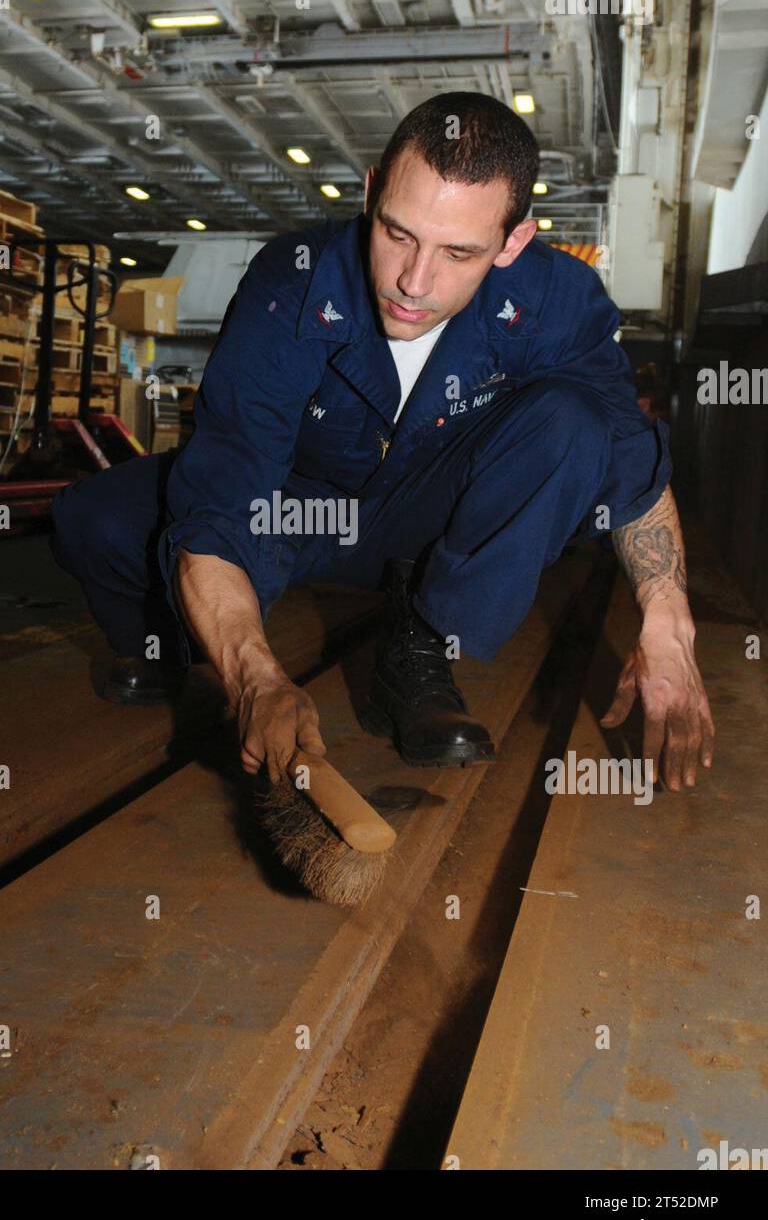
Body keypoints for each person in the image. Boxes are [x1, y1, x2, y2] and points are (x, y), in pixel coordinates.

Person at [51, 92, 714, 793]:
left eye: (460, 252)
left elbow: (629, 461)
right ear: (371, 193)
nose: (412, 281)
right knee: (96, 519)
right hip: (293, 508)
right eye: (397, 233)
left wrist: (669, 629)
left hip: (428, 522)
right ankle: (174, 640)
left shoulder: (557, 300)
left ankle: (422, 640)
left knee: (573, 422)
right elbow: (225, 488)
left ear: (514, 241)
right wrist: (254, 678)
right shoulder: (293, 280)